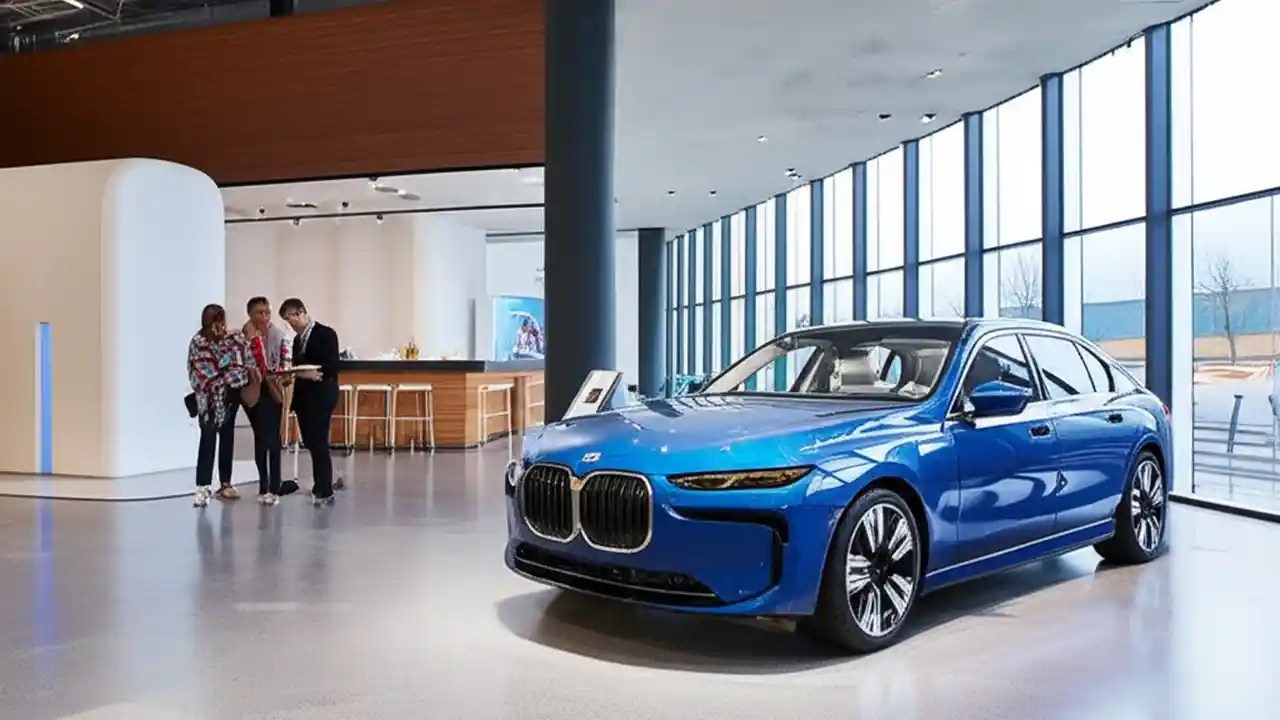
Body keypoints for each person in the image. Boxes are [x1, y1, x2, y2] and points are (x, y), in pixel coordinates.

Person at [188, 304, 255, 507]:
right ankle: (202, 487)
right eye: (213, 319)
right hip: (207, 401)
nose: (217, 324)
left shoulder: (233, 340)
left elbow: (245, 364)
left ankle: (225, 483)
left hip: (229, 398)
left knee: (227, 438)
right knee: (207, 441)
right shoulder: (198, 342)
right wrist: (223, 378)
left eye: (220, 319)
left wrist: (230, 378)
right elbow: (197, 371)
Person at [279, 297, 342, 505]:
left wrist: (315, 373)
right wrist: (292, 376)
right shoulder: (297, 341)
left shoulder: (326, 334)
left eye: (291, 319)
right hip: (304, 398)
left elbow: (332, 366)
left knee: (319, 441)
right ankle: (319, 484)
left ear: (301, 313)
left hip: (322, 394)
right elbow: (298, 367)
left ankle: (324, 488)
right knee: (310, 442)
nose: (291, 325)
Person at [243, 297, 290, 506]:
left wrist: (279, 377)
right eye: (259, 313)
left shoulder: (278, 335)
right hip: (253, 391)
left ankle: (275, 486)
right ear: (250, 315)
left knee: (273, 439)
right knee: (260, 438)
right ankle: (263, 482)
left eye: (267, 312)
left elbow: (285, 363)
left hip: (272, 390)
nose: (264, 317)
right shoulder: (244, 336)